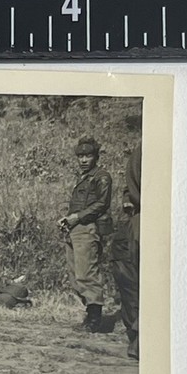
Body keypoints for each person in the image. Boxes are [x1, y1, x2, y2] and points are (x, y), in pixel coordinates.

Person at [57, 136, 113, 333]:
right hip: (75, 228)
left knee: (86, 274)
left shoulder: (102, 176)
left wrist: (77, 217)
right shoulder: (84, 177)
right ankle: (90, 315)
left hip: (88, 228)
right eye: (80, 156)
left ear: (95, 157)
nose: (83, 160)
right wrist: (68, 219)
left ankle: (95, 321)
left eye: (88, 156)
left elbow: (102, 204)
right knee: (75, 276)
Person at [112, 143, 142, 359]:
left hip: (135, 222)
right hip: (146, 221)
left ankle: (136, 339)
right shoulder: (153, 149)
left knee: (132, 283)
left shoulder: (139, 151)